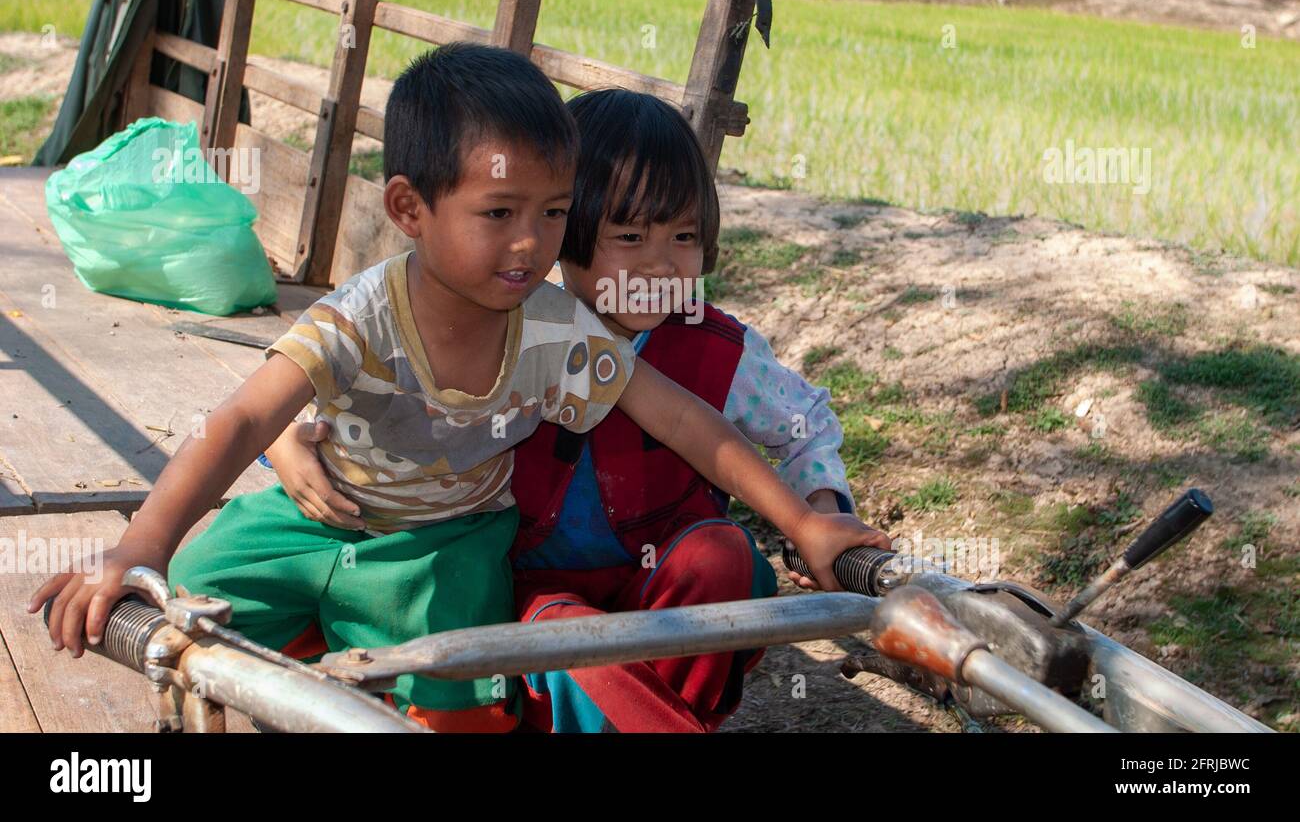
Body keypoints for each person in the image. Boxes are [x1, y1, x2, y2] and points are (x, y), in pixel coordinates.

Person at [29, 45, 884, 732]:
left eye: (553, 214)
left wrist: (806, 519)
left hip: (453, 545)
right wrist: (138, 546)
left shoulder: (557, 328)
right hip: (312, 521)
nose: (531, 245)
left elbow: (688, 422)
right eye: (500, 214)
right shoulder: (360, 316)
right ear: (408, 209)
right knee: (182, 621)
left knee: (457, 706)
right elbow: (245, 416)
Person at [266, 85, 891, 731]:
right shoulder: (506, 328)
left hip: (661, 581)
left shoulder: (715, 348)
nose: (659, 263)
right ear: (564, 228)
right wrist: (287, 436)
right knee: (569, 643)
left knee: (723, 557)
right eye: (629, 234)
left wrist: (820, 510)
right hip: (533, 586)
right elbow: (358, 396)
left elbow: (805, 423)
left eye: (684, 235)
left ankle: (664, 716)